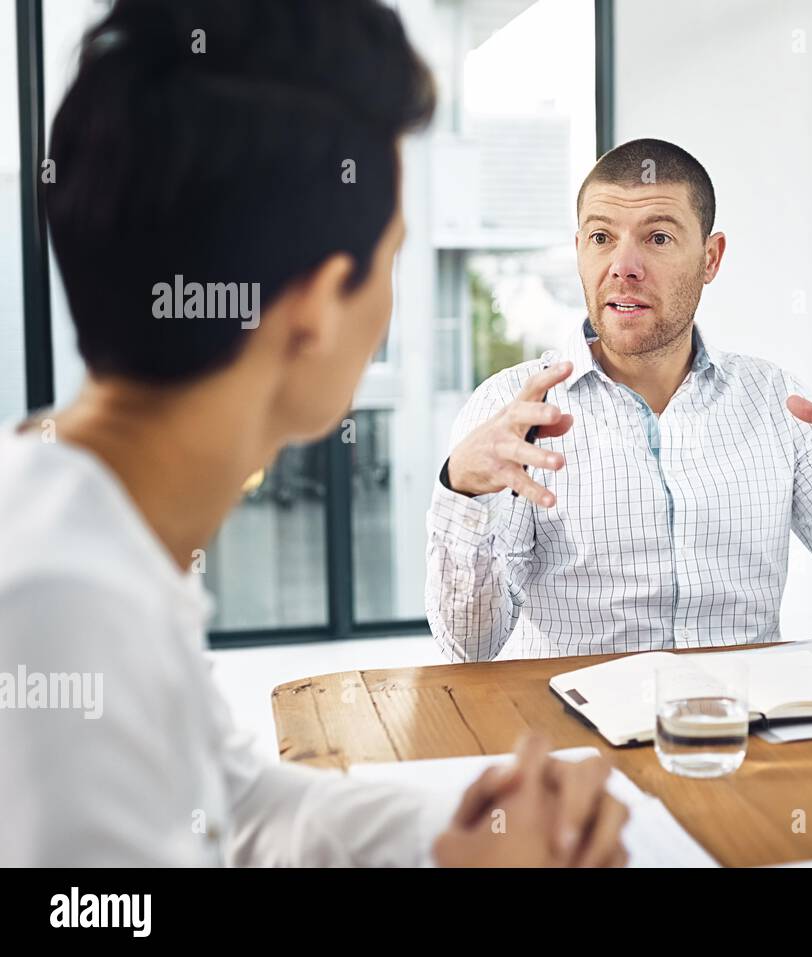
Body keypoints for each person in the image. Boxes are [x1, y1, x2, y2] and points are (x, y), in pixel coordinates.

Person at [0, 0, 627, 867]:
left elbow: (234, 805)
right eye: (394, 258)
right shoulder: (57, 604)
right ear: (320, 308)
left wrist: (456, 834)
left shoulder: (89, 516)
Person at [425, 138, 812, 661]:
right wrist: (463, 493)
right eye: (601, 237)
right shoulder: (510, 409)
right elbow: (469, 647)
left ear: (710, 258)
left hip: (744, 725)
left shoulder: (776, 401)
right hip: (573, 728)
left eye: (656, 237)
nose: (623, 266)